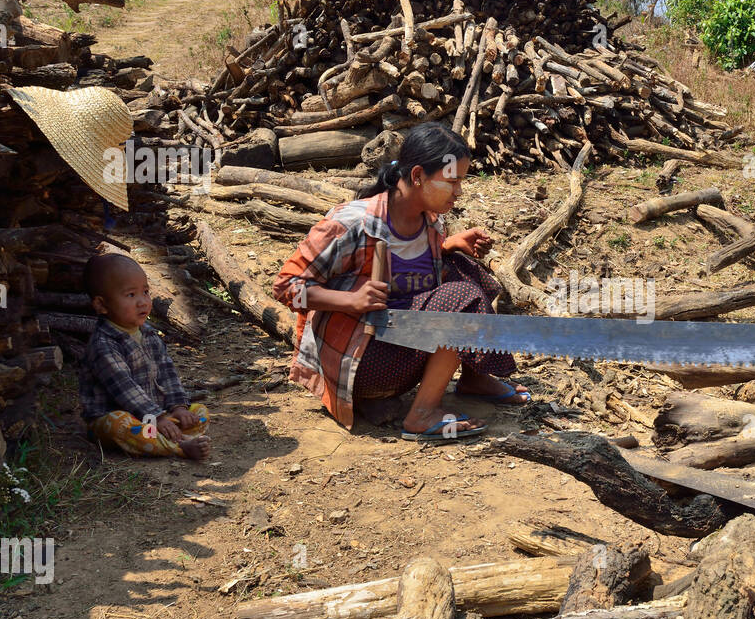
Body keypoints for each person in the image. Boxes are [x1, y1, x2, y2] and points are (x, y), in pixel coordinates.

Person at [273, 122, 530, 441]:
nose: (459, 191)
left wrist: (450, 245)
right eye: (452, 181)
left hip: (399, 346)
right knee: (462, 297)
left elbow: (411, 271)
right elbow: (285, 287)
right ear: (419, 175)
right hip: (364, 365)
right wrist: (350, 301)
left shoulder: (431, 224)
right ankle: (421, 415)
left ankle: (474, 379)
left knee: (464, 268)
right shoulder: (352, 224)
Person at [78, 253, 211, 459]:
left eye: (146, 292)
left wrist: (177, 407)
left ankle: (168, 434)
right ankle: (179, 447)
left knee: (199, 413)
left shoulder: (147, 332)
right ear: (102, 305)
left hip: (157, 415)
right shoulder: (103, 345)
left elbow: (167, 371)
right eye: (131, 295)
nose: (143, 302)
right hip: (123, 419)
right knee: (119, 423)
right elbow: (125, 389)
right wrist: (157, 417)